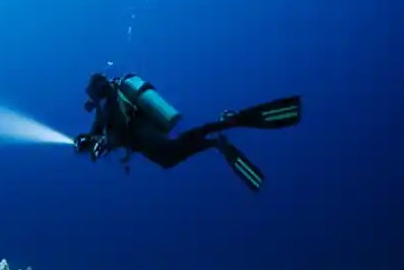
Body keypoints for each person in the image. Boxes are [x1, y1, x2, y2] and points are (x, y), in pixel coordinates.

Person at [73, 72, 301, 192]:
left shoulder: (112, 102)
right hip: (152, 148)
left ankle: (227, 123)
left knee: (174, 147)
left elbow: (119, 129)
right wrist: (87, 141)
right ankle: (216, 139)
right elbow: (100, 133)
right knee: (169, 158)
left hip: (153, 139)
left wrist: (102, 141)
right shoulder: (104, 111)